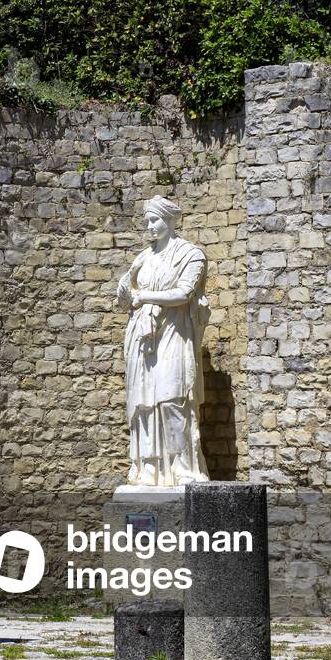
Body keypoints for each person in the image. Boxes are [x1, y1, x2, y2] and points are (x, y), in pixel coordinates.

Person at [116, 195, 211, 487]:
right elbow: (126, 299)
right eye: (147, 221)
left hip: (174, 333)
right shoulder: (144, 258)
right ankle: (148, 469)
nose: (149, 226)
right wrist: (125, 289)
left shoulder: (191, 255)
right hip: (142, 337)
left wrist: (144, 296)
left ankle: (182, 467)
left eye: (154, 220)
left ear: (170, 221)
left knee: (173, 399)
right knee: (143, 404)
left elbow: (184, 294)